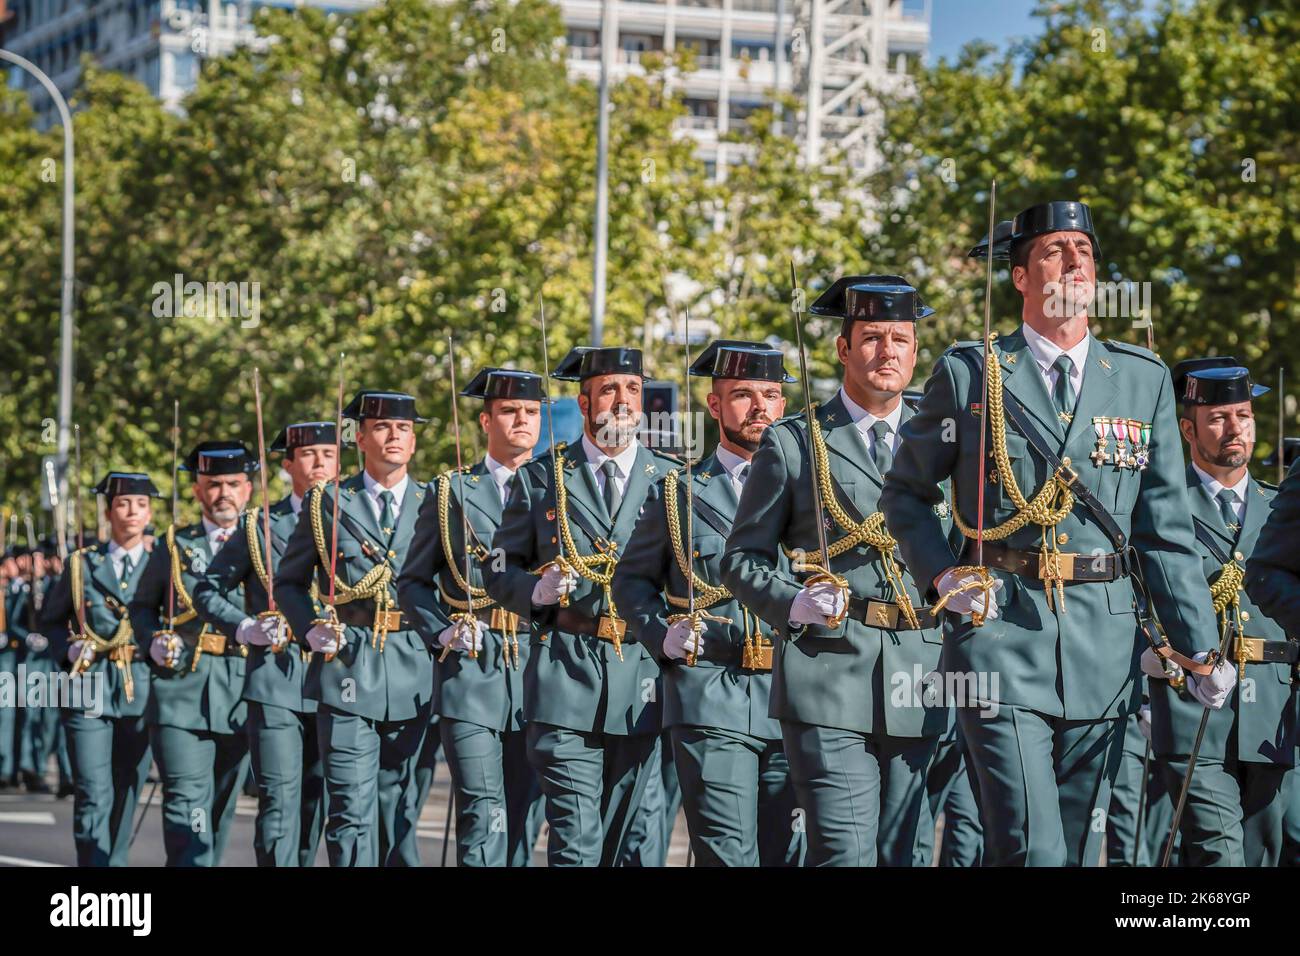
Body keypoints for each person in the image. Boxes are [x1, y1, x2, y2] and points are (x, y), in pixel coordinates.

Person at [879, 201, 1232, 865]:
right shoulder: (971, 372)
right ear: (1019, 277)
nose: (1074, 261)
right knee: (1031, 847)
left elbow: (1165, 531)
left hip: (1104, 646)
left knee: (1071, 849)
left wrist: (1201, 647)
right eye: (1054, 250)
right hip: (1000, 639)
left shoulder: (1141, 378)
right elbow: (904, 494)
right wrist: (942, 573)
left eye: (1084, 250)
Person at [722, 277, 952, 866]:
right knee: (844, 852)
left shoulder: (950, 442)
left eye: (901, 338)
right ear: (843, 349)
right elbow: (739, 559)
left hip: (924, 669)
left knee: (907, 852)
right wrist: (791, 603)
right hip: (828, 667)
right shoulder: (796, 442)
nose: (888, 351)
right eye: (872, 337)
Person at [484, 346, 678, 866]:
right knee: (575, 836)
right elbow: (497, 567)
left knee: (627, 836)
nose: (622, 402)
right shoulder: (542, 475)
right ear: (585, 399)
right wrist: (535, 592)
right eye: (610, 390)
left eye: (633, 390)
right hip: (565, 671)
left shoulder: (673, 480)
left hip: (642, 675)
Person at [614, 340, 805, 866]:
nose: (761, 407)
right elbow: (630, 583)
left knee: (790, 853)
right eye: (742, 395)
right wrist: (662, 634)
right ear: (715, 405)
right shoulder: (677, 493)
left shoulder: (813, 492)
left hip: (799, 695)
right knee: (725, 854)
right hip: (711, 694)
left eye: (771, 394)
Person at [276, 391, 432, 867]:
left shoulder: (437, 502)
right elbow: (288, 582)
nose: (394, 437)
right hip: (348, 661)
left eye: (404, 429)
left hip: (414, 665)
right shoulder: (329, 501)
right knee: (348, 808)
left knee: (400, 808)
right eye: (382, 428)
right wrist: (309, 630)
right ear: (360, 437)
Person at [399, 368, 548, 866]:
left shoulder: (561, 489)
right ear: (486, 420)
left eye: (530, 412)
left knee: (527, 816)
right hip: (473, 669)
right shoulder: (451, 493)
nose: (521, 420)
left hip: (539, 665)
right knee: (482, 812)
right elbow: (413, 581)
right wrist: (442, 629)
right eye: (509, 411)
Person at [192, 421, 340, 866]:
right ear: (288, 463)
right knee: (278, 801)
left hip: (336, 677)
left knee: (317, 803)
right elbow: (207, 589)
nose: (319, 464)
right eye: (309, 455)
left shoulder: (354, 518)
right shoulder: (261, 524)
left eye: (329, 454)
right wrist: (244, 627)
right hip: (276, 677)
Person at [130, 440, 256, 866]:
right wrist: (152, 639)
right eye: (213, 484)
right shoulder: (174, 544)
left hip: (241, 689)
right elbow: (141, 607)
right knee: (187, 803)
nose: (224, 493)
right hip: (180, 689)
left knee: (218, 809)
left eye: (233, 484)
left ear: (249, 488)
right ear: (198, 490)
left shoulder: (265, 542)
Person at [38, 472, 159, 865]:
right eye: (123, 504)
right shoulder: (82, 564)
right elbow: (51, 621)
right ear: (108, 512)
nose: (132, 512)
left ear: (150, 511)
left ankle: (115, 860)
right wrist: (68, 651)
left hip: (139, 687)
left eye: (140, 504)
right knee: (92, 788)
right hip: (88, 687)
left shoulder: (162, 563)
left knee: (128, 785)